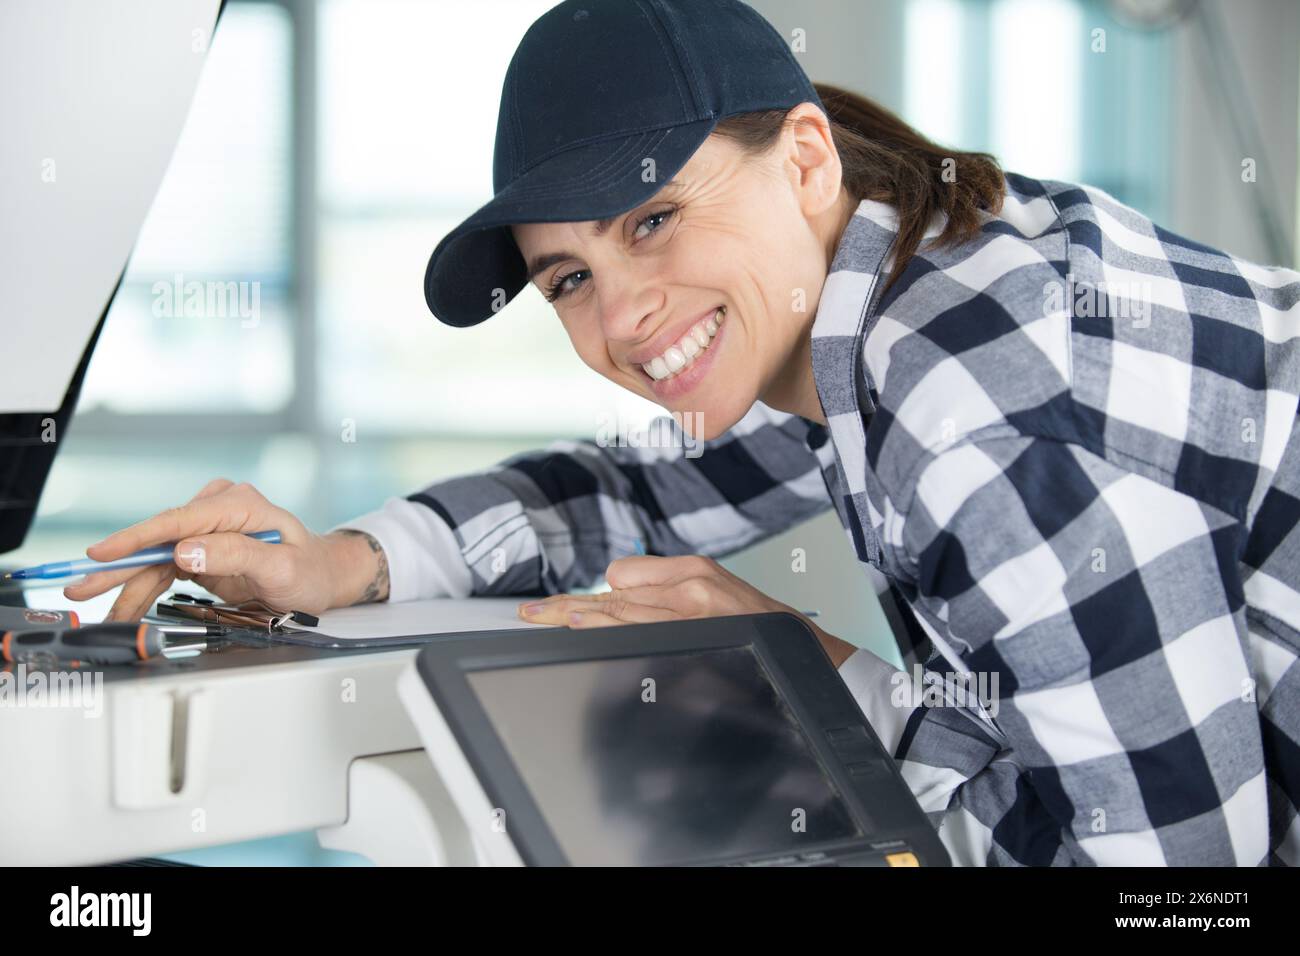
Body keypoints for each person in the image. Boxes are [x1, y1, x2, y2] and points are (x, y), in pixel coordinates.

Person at [70, 0, 1298, 866]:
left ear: (805, 157)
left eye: (653, 218)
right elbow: (627, 493)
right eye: (566, 278)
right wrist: (343, 561)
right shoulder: (886, 286)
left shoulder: (978, 420)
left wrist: (812, 676)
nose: (622, 319)